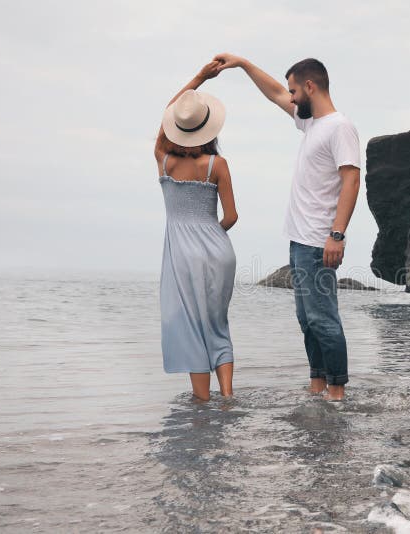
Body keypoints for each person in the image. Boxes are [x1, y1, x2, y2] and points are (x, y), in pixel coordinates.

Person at [213, 53, 361, 401]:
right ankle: (317, 385)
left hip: (319, 241)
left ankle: (337, 392)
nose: (291, 98)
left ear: (311, 86)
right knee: (307, 320)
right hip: (299, 241)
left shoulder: (340, 127)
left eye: (296, 91)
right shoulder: (312, 124)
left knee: (323, 319)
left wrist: (336, 235)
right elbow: (275, 93)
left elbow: (352, 180)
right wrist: (243, 64)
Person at [154, 61, 239, 401]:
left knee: (191, 328)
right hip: (219, 252)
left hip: (182, 257)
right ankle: (228, 398)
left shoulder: (164, 161)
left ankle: (203, 406)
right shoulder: (217, 165)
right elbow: (231, 216)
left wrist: (200, 78)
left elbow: (165, 116)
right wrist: (210, 235)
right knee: (218, 325)